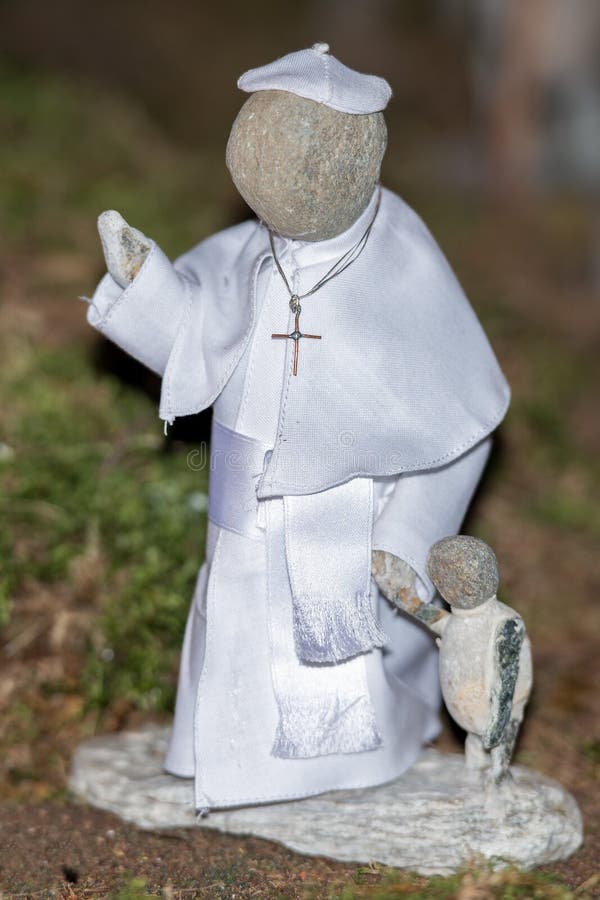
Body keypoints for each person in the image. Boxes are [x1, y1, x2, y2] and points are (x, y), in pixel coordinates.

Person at [85, 44, 510, 811]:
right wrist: (145, 280)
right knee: (236, 621)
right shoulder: (259, 250)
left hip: (340, 516)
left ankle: (338, 770)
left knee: (327, 650)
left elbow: (460, 418)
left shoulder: (400, 266)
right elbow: (201, 331)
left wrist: (410, 535)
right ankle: (220, 754)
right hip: (243, 497)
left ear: (358, 158)